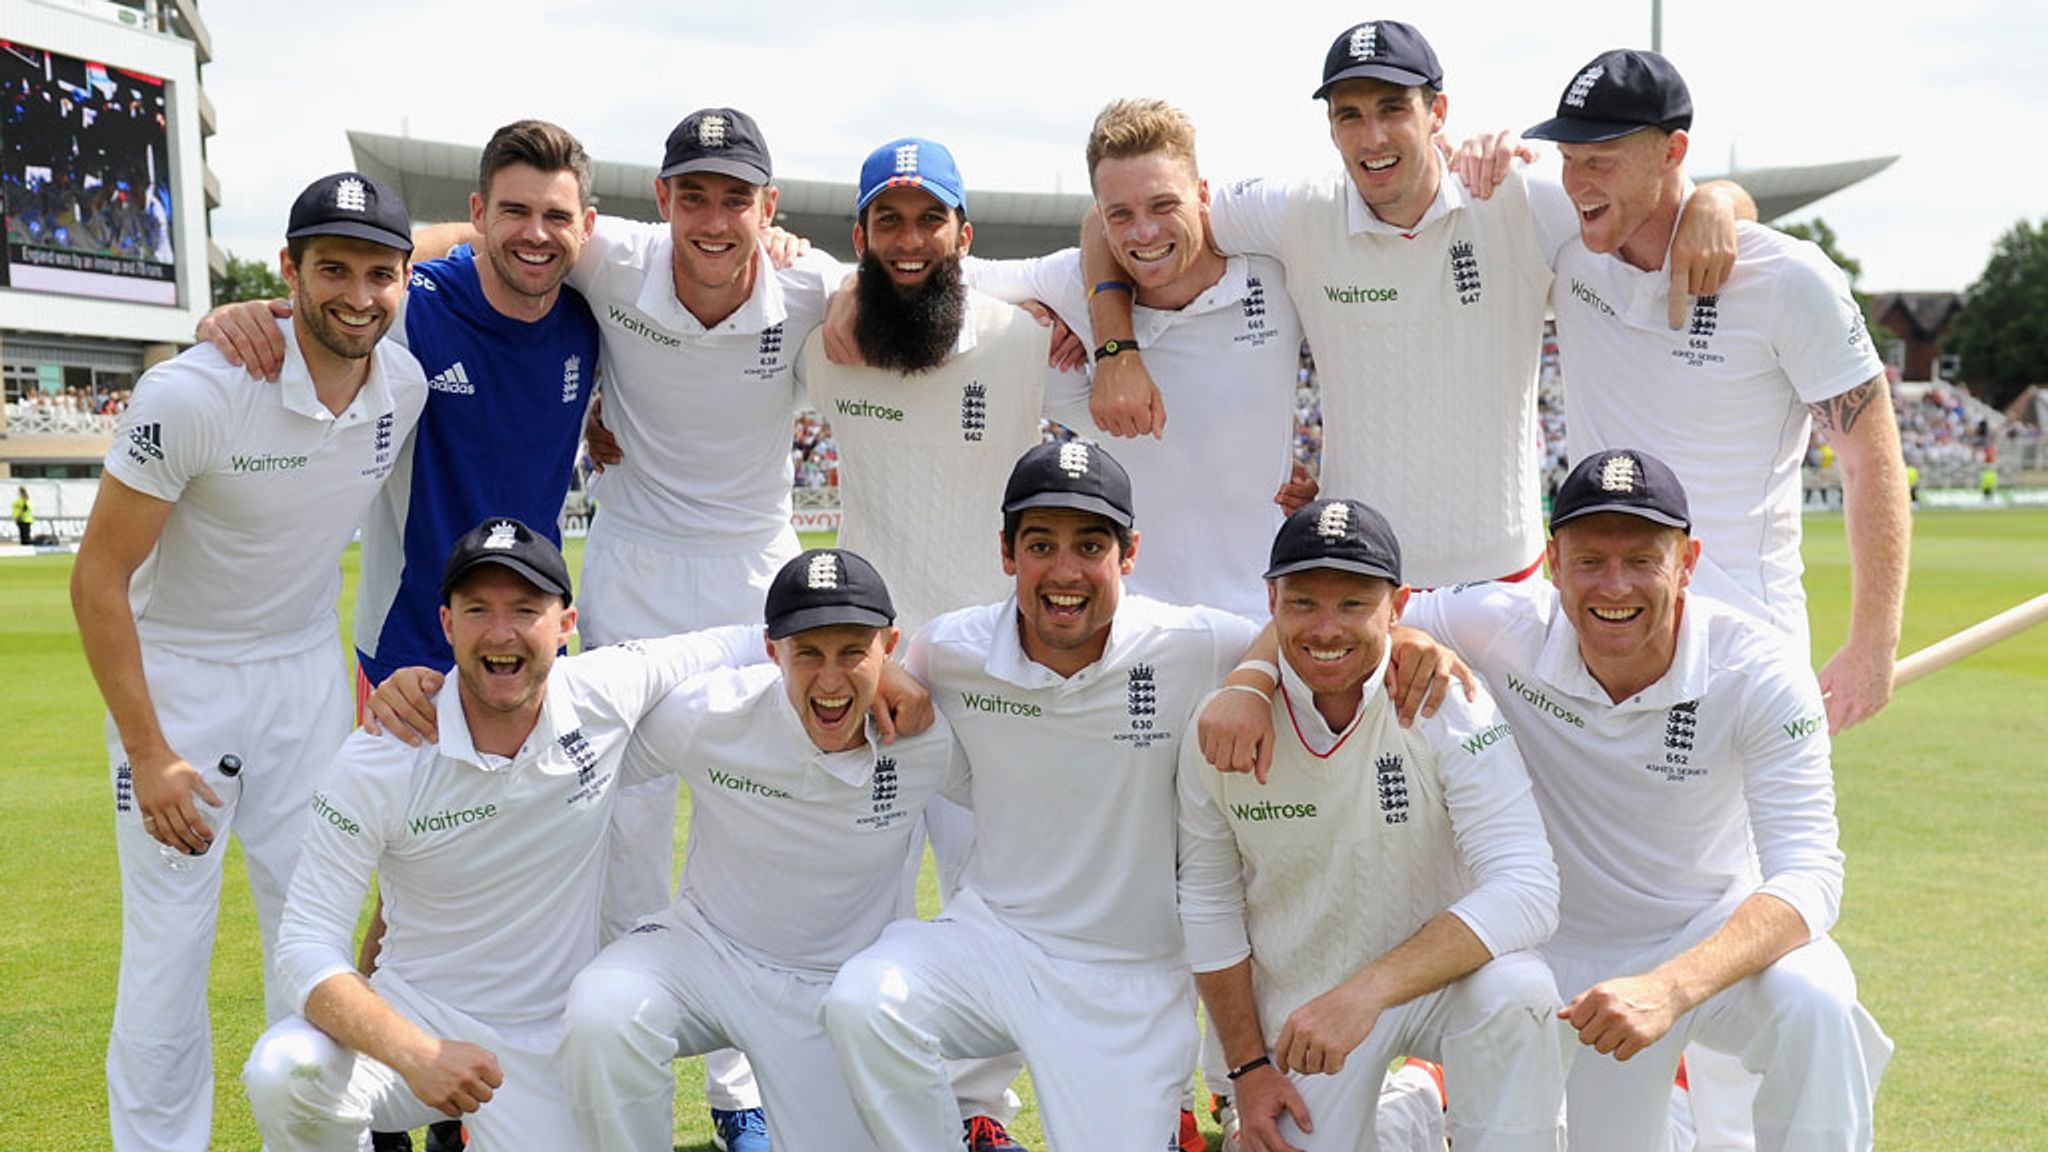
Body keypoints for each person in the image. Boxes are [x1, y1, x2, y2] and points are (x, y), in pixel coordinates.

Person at [197, 119, 605, 1152]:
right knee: (392, 871)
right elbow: (343, 296)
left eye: (554, 216)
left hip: (526, 630)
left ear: (585, 226)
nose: (535, 233)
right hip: (412, 639)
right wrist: (246, 311)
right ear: (473, 216)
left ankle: (450, 1089)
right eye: (510, 211)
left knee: (494, 866)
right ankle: (383, 1075)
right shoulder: (418, 305)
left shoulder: (586, 316)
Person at [1083, 20, 1748, 590]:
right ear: (1331, 128)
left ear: (1439, 112)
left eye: (1393, 108)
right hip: (1360, 586)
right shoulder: (1298, 210)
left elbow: (1656, 198)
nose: (1372, 136)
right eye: (1350, 114)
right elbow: (1111, 216)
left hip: (1501, 589)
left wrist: (1718, 201)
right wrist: (1114, 349)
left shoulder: (1517, 197)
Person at [1373, 449, 1888, 1151]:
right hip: (1552, 953)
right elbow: (1346, 622)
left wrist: (1671, 987)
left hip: (1707, 938)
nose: (1614, 586)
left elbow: (1810, 878)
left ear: (1688, 563)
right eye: (1590, 560)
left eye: (1643, 560)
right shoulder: (1496, 622)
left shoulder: (1759, 668)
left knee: (1818, 999)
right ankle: (1430, 1102)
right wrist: (1397, 637)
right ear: (1555, 563)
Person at [70, 171, 427, 1152]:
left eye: (381, 273)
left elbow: (481, 245)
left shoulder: (404, 385)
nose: (359, 294)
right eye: (332, 269)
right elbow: (98, 580)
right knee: (168, 951)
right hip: (181, 679)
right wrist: (149, 753)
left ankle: (313, 1137)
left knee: (310, 937)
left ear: (405, 279)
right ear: (289, 272)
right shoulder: (194, 393)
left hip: (305, 676)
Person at [238, 518, 769, 1150]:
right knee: (286, 1071)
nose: (500, 633)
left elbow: (750, 641)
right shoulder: (382, 755)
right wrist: (417, 1052)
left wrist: (870, 675)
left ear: (566, 624)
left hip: (555, 1036)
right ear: (447, 624)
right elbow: (304, 946)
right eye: (477, 610)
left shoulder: (602, 691)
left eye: (524, 609)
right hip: (418, 1018)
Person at [821, 440, 1265, 1150]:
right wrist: (887, 670)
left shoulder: (1191, 644)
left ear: (1129, 553)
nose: (1064, 572)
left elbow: (1299, 637)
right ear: (1007, 553)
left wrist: (1253, 681)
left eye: (1090, 545)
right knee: (864, 1002)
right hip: (993, 943)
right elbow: (835, 667)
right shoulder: (952, 650)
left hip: (1128, 979)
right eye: (1040, 545)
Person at [1522, 48, 1910, 736]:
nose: (1576, 183)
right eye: (1568, 159)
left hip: (1742, 654)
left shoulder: (1790, 279)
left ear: (1673, 152)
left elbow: (1870, 461)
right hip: (1602, 648)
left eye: (1600, 161)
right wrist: (1719, 196)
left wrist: (1873, 647)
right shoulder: (1570, 245)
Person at [1178, 498, 1568, 1151]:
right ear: (1272, 603)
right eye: (1304, 603)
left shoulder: (1447, 699)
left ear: (1398, 605)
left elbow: (1528, 888)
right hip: (1303, 1020)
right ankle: (1412, 1107)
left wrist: (1367, 992)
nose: (1326, 628)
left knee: (1520, 991)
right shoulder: (1223, 724)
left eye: (1354, 604)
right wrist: (1247, 1069)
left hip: (1439, 988)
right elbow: (1209, 904)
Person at [558, 548, 970, 1151]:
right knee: (604, 1011)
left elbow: (1020, 796)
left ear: (889, 647)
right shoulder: (712, 712)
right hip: (705, 951)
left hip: (840, 986)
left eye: (852, 652)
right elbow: (582, 761)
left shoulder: (925, 737)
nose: (830, 680)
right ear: (772, 651)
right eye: (808, 653)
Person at [957, 98, 1307, 620]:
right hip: (1136, 627)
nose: (1144, 232)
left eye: (1163, 205)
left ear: (1203, 195)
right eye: (1120, 214)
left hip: (1262, 618)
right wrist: (1018, 316)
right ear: (1102, 217)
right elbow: (935, 279)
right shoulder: (1070, 283)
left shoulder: (1274, 273)